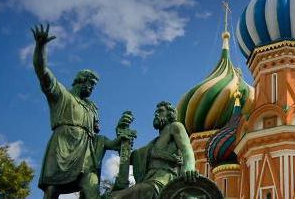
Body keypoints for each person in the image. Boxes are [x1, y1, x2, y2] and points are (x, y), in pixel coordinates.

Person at [31, 24, 132, 199]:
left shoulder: (92, 107)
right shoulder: (62, 96)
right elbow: (43, 72)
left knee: (91, 188)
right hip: (62, 146)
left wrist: (120, 135)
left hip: (86, 152)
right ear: (80, 81)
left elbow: (98, 139)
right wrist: (41, 46)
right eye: (90, 83)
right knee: (52, 190)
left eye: (94, 84)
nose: (92, 87)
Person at [110, 101, 198, 199]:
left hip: (163, 182)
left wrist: (189, 167)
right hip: (149, 181)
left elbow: (187, 150)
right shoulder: (151, 144)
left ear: (170, 114)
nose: (156, 114)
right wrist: (122, 135)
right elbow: (128, 159)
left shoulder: (175, 126)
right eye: (155, 112)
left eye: (160, 111)